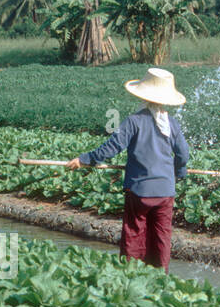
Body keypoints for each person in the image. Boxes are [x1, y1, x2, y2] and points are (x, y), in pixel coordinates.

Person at [66, 67, 190, 272]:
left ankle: (131, 274)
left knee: (134, 234)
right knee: (161, 236)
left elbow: (112, 147)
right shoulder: (172, 124)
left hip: (139, 190)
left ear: (143, 97)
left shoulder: (134, 121)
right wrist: (179, 172)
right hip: (165, 192)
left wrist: (85, 159)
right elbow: (183, 154)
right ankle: (160, 275)